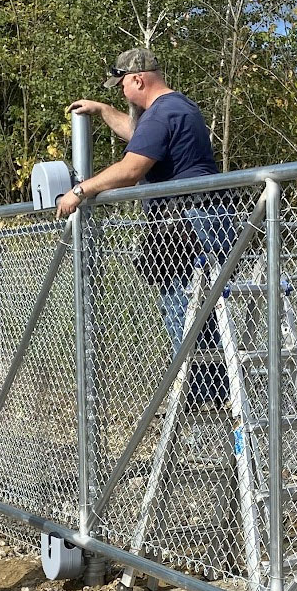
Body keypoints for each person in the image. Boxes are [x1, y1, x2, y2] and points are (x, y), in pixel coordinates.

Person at [57, 49, 234, 365]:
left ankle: (200, 389)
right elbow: (142, 137)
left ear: (137, 80)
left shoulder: (160, 113)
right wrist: (104, 110)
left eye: (122, 85)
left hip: (184, 225)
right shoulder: (180, 106)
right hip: (205, 217)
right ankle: (217, 389)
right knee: (206, 318)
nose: (122, 92)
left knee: (186, 316)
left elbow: (131, 169)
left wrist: (80, 191)